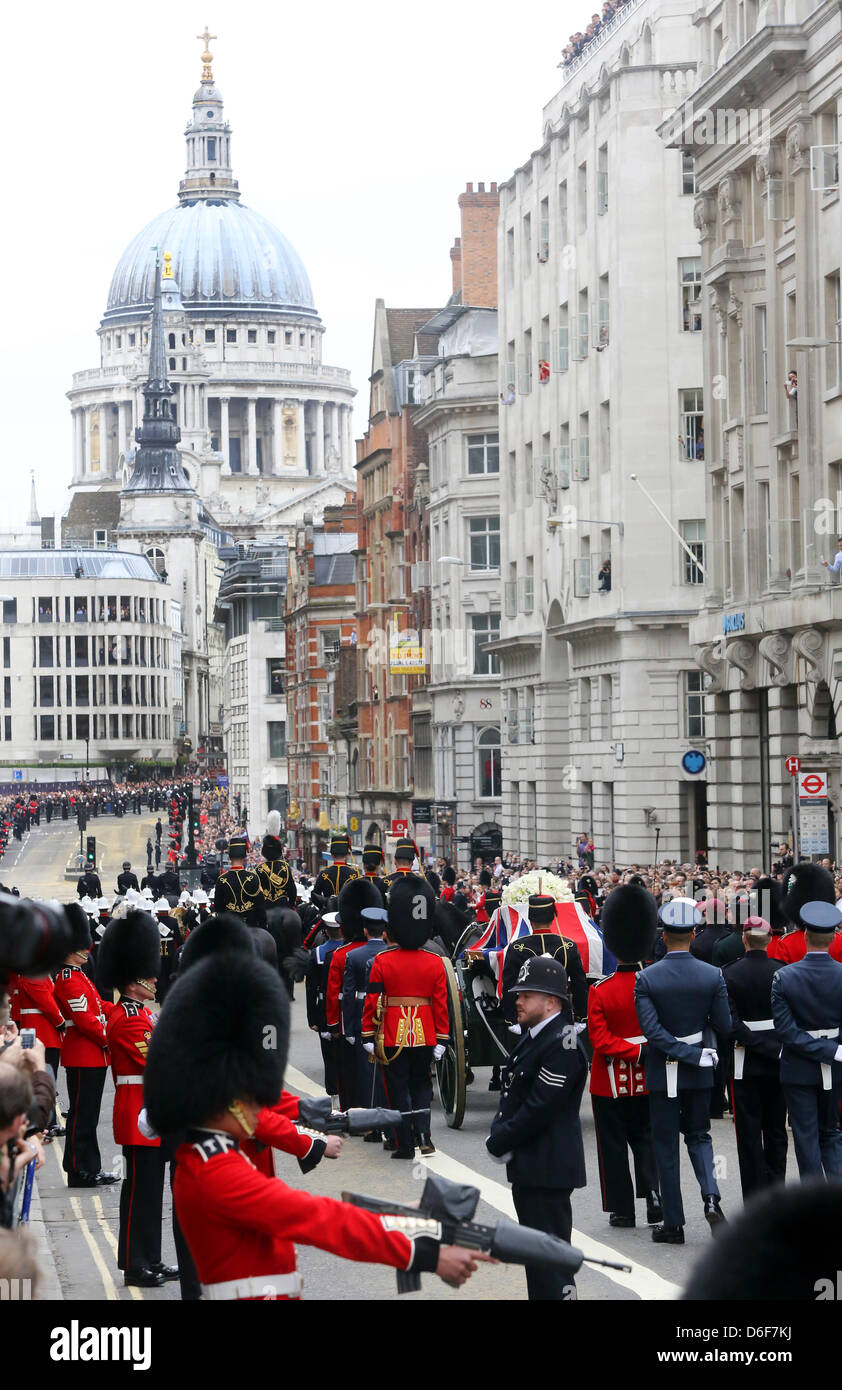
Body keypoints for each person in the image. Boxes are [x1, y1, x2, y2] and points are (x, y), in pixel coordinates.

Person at [144, 948, 484, 1299]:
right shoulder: (215, 1171)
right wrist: (423, 1251)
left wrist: (402, 1215)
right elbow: (318, 1220)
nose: (257, 1100)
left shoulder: (206, 1159)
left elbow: (305, 1210)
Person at [486, 956, 588, 1301]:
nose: (517, 1000)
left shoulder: (563, 1041)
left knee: (551, 1262)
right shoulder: (537, 1037)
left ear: (551, 1002)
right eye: (519, 994)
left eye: (527, 995)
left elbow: (541, 1106)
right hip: (533, 1166)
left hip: (548, 1166)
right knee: (537, 1260)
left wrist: (502, 1138)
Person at [634, 898, 731, 1244]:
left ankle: (674, 1223)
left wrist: (683, 1053)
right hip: (698, 1068)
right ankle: (710, 1197)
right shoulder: (712, 974)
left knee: (666, 1146)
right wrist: (696, 1052)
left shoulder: (646, 978)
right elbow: (722, 1023)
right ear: (693, 934)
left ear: (663, 935)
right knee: (700, 1136)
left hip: (664, 1068)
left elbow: (652, 1031)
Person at [98, 907, 177, 1288]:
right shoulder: (128, 1018)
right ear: (133, 982)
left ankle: (153, 1258)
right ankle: (134, 1263)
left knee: (151, 1192)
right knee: (137, 1194)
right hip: (136, 1114)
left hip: (150, 1112)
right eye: (148, 976)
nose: (154, 980)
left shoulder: (143, 1014)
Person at [588, 885, 662, 1230]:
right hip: (649, 1074)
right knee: (647, 1139)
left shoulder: (600, 991)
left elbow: (599, 1040)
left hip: (609, 1081)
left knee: (613, 1147)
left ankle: (622, 1209)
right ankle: (654, 1199)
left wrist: (630, 1052)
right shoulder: (653, 984)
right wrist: (643, 1052)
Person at [362, 874, 449, 1159]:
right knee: (422, 1084)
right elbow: (440, 1004)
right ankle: (424, 1135)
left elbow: (373, 1002)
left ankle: (404, 1142)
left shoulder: (382, 961)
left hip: (391, 1033)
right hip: (425, 1033)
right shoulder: (435, 963)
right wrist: (442, 1038)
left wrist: (366, 1034)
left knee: (398, 1088)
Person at [771, 900, 842, 1178]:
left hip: (799, 1066)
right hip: (835, 1062)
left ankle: (815, 1208)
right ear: (834, 938)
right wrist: (832, 1048)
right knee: (831, 1133)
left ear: (806, 937)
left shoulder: (784, 977)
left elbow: (786, 1031)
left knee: (807, 1136)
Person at [53, 908, 118, 1188]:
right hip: (83, 1055)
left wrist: (122, 1013)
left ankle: (91, 1166)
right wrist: (111, 1036)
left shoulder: (80, 976)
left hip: (93, 1056)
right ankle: (79, 1170)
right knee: (81, 1116)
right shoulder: (67, 980)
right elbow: (85, 1021)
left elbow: (99, 1006)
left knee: (88, 1117)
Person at [723, 916, 787, 1199]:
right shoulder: (782, 972)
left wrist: (756, 1043)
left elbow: (731, 1025)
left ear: (744, 940)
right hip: (778, 1057)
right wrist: (773, 1047)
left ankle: (754, 1198)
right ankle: (776, 1192)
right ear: (770, 939)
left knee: (748, 1135)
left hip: (744, 1061)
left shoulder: (729, 973)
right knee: (776, 1130)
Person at [501, 894, 589, 1025]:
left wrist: (512, 1020)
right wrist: (581, 1017)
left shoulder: (517, 947)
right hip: (562, 1016)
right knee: (565, 1046)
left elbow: (509, 985)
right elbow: (579, 984)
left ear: (530, 920)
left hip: (528, 1017)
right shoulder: (568, 945)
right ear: (553, 918)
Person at [342, 885, 389, 1118]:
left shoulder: (354, 956)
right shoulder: (391, 954)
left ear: (364, 930)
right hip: (390, 1015)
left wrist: (348, 1028)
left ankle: (369, 1118)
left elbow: (348, 994)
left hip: (363, 1013)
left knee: (365, 1071)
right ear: (383, 931)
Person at [213, 835, 264, 921]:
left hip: (230, 925)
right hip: (250, 923)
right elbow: (260, 905)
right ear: (244, 858)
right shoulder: (253, 877)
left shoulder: (221, 879)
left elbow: (218, 908)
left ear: (229, 857)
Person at [310, 835, 361, 910]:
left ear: (332, 855)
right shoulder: (354, 874)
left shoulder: (324, 873)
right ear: (347, 855)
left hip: (328, 913)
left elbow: (314, 895)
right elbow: (358, 897)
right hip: (347, 914)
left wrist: (324, 907)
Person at [255, 811, 291, 904]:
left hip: (265, 905)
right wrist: (291, 905)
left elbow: (255, 893)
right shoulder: (286, 867)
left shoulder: (259, 869)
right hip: (283, 904)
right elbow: (292, 890)